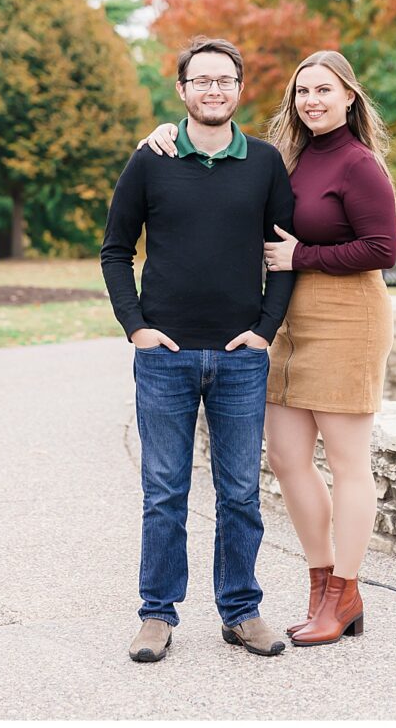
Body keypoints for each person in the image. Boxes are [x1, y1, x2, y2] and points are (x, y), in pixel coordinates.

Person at [139, 50, 396, 647]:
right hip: (288, 320)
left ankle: (345, 593)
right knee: (284, 457)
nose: (312, 101)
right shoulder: (288, 157)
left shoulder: (359, 164)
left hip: (347, 316)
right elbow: (218, 157)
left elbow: (383, 248)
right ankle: (320, 583)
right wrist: (163, 134)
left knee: (348, 462)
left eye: (324, 90)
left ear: (350, 97)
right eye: (303, 91)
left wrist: (302, 255)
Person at [100, 37, 296, 663]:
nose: (214, 90)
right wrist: (135, 326)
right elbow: (115, 250)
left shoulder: (265, 163)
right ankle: (156, 615)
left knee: (240, 493)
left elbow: (283, 255)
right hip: (164, 357)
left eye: (224, 80)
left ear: (240, 89)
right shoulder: (150, 159)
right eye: (202, 80)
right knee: (164, 492)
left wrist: (264, 330)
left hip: (240, 359)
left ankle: (241, 612)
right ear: (182, 89)